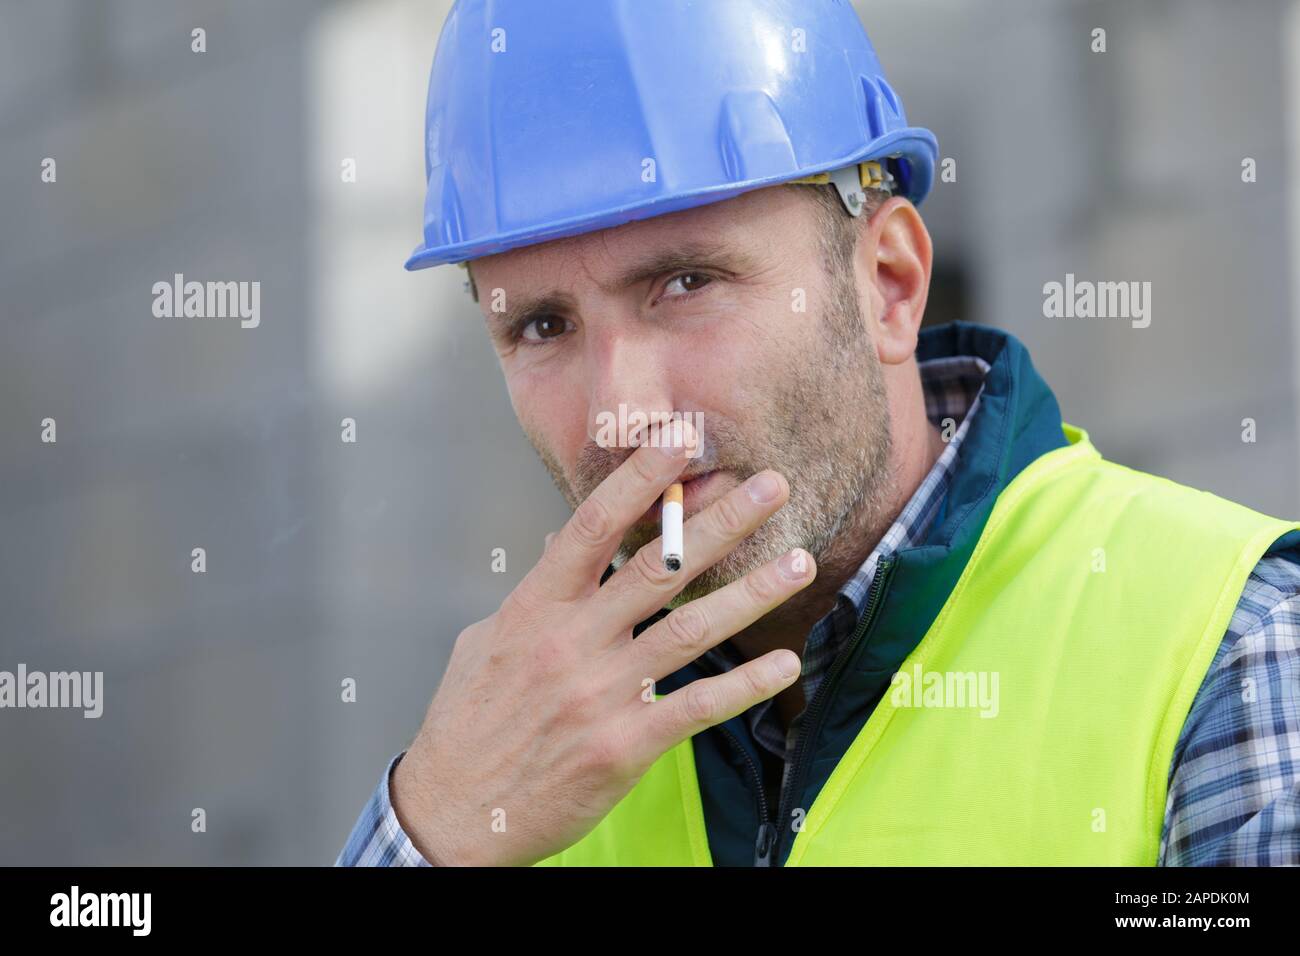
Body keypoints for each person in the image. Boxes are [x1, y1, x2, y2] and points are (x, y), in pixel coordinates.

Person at [337, 0, 1300, 866]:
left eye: (686, 283)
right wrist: (433, 828)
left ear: (887, 284)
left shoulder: (1236, 655)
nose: (618, 410)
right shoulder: (512, 748)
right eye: (541, 325)